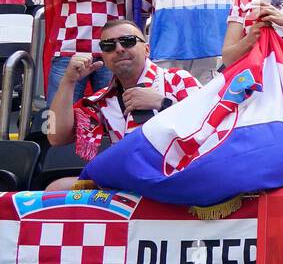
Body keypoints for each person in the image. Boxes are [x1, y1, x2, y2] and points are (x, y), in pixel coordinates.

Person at [46, 18, 199, 187]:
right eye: (109, 46)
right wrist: (68, 81)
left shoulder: (177, 79)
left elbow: (211, 124)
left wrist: (163, 104)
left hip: (178, 175)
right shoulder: (103, 100)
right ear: (104, 56)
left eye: (128, 41)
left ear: (146, 49)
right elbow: (55, 137)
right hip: (127, 181)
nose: (119, 49)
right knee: (56, 188)